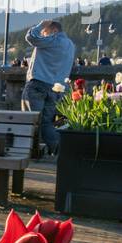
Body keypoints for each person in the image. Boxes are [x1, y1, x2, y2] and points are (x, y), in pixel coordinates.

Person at [22, 19, 75, 156]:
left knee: (30, 121)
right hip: (56, 90)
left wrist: (41, 25)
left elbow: (31, 37)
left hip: (38, 85)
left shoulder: (53, 40)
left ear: (54, 31)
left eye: (45, 32)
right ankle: (60, 153)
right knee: (47, 123)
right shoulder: (70, 45)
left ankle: (29, 153)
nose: (43, 35)